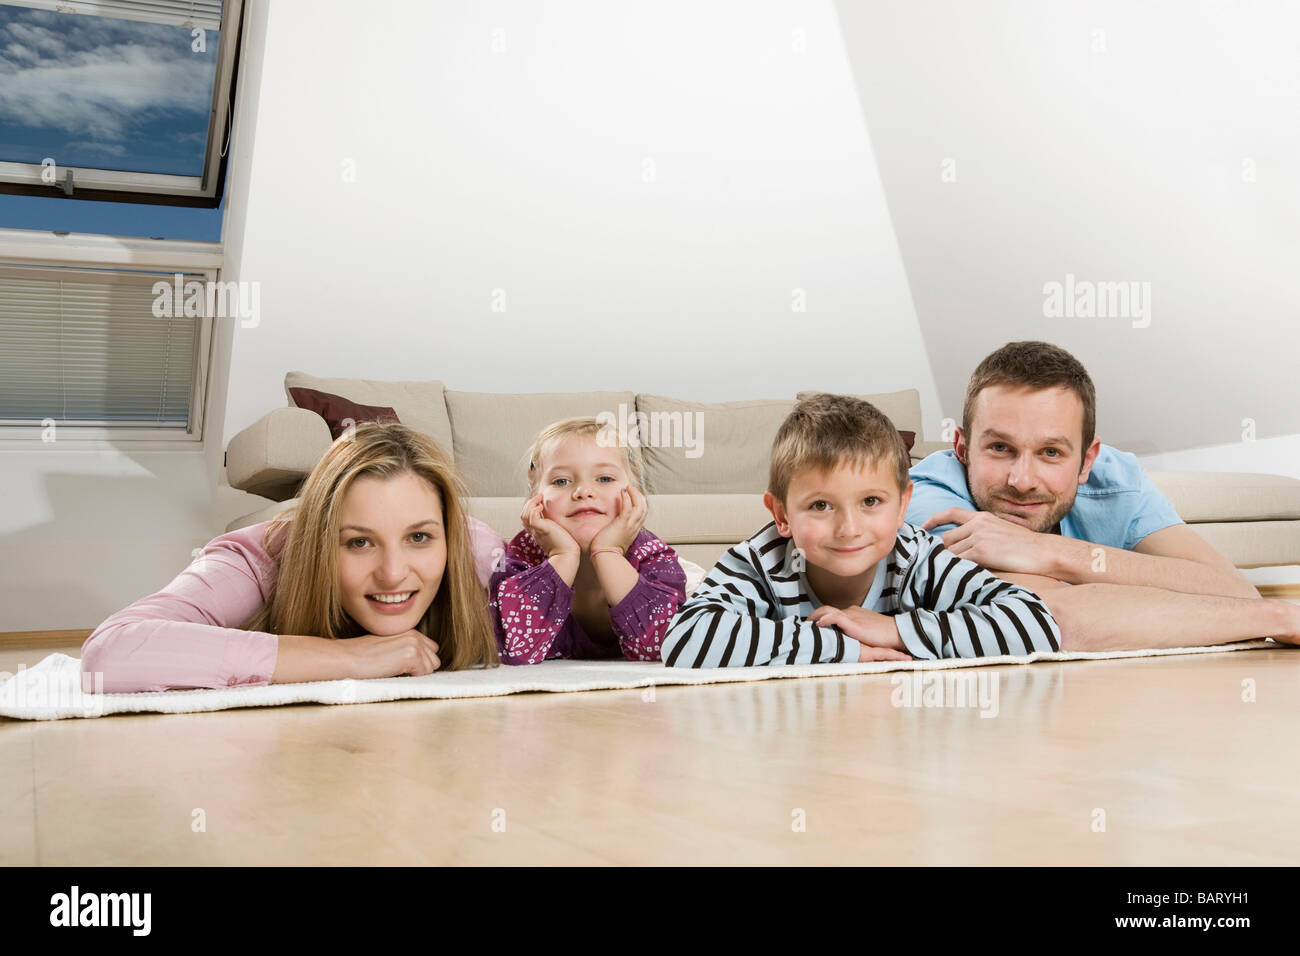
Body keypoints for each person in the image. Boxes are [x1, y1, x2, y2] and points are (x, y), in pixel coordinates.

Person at [905, 341, 1300, 650]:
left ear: (1087, 459)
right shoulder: (929, 502)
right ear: (961, 447)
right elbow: (1055, 621)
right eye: (1000, 448)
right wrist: (1278, 619)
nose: (1022, 480)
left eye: (1051, 453)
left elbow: (1234, 590)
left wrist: (1048, 551)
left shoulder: (1115, 479)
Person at [81, 423, 502, 693]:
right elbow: (111, 653)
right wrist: (349, 658)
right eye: (358, 543)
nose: (393, 574)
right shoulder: (254, 560)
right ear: (319, 539)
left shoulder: (476, 552)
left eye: (419, 537)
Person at [660, 394, 1064, 668]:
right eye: (821, 505)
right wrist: (846, 647)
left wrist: (893, 631)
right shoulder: (761, 560)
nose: (850, 529)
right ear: (781, 514)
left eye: (871, 502)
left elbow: (1036, 625)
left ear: (903, 504)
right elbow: (687, 639)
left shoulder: (916, 558)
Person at [490, 417, 687, 663]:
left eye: (604, 479)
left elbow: (665, 645)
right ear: (535, 497)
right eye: (561, 481)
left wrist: (608, 551)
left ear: (635, 492)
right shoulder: (524, 555)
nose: (583, 491)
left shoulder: (652, 555)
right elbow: (515, 648)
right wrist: (562, 555)